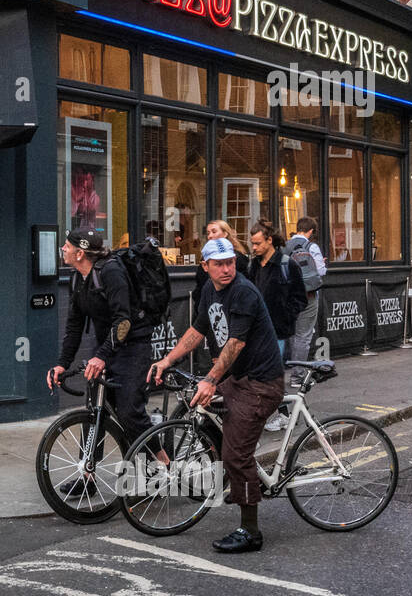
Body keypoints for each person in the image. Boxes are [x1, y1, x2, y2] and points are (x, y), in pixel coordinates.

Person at [149, 237, 286, 554]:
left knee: (237, 454)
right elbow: (197, 331)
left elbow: (235, 344)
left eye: (230, 262)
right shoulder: (210, 290)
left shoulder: (243, 291)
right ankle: (232, 477)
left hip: (260, 383)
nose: (226, 269)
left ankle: (251, 531)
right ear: (205, 266)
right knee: (200, 407)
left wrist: (211, 379)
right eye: (219, 264)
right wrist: (168, 360)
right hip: (238, 379)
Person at [46, 229, 153, 496]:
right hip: (106, 347)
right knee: (95, 410)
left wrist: (101, 355)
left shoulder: (111, 272)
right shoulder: (77, 278)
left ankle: (162, 465)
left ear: (80, 253)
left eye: (67, 246)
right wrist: (62, 364)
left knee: (130, 412)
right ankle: (88, 476)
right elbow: (73, 326)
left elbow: (124, 321)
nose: (63, 249)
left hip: (133, 347)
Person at [246, 220, 306, 431]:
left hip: (278, 332)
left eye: (257, 243)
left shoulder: (287, 264)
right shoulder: (253, 265)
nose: (254, 248)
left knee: (271, 373)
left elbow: (300, 298)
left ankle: (284, 414)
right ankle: (276, 412)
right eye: (252, 244)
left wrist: (286, 317)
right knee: (261, 374)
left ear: (269, 240)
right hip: (257, 331)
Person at [286, 217, 327, 387]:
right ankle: (297, 377)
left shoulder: (284, 247)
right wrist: (320, 264)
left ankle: (286, 370)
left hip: (288, 296)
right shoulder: (311, 247)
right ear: (310, 231)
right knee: (303, 336)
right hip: (307, 297)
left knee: (291, 335)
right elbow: (321, 271)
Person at [191, 220, 250, 292]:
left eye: (214, 232)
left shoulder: (238, 258)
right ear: (205, 265)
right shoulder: (206, 257)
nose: (210, 236)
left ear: (225, 234)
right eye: (208, 233)